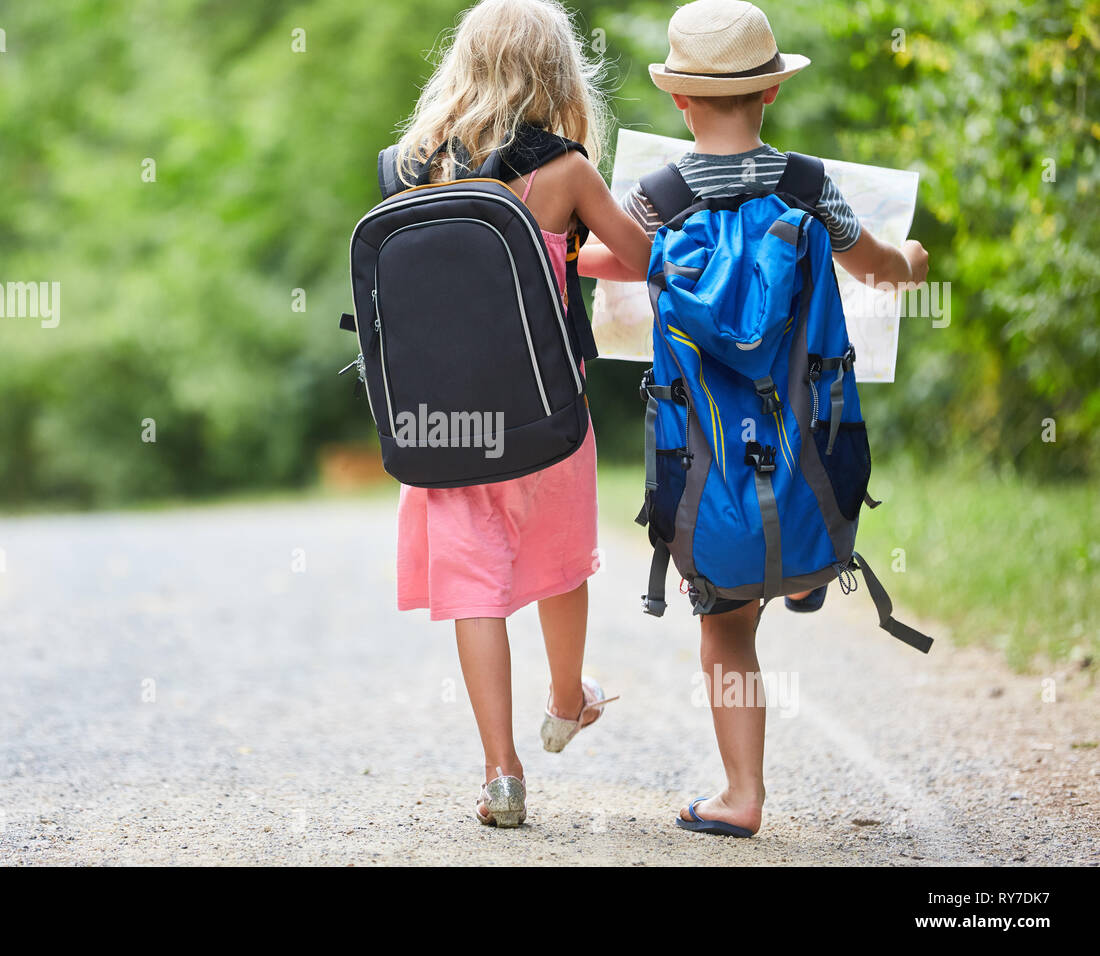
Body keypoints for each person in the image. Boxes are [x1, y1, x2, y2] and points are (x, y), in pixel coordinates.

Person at [580, 0, 929, 837]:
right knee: (795, 539)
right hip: (809, 455)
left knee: (727, 631)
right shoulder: (809, 190)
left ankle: (742, 796)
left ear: (680, 102)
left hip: (706, 471)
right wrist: (910, 261)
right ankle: (801, 568)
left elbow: (600, 258)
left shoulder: (658, 201)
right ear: (770, 94)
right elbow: (881, 269)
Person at [391, 0, 651, 827]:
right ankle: (568, 700)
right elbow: (638, 259)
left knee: (475, 582)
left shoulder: (411, 165)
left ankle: (502, 773)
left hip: (444, 423)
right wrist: (584, 235)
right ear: (557, 74)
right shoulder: (564, 169)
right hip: (545, 410)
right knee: (557, 558)